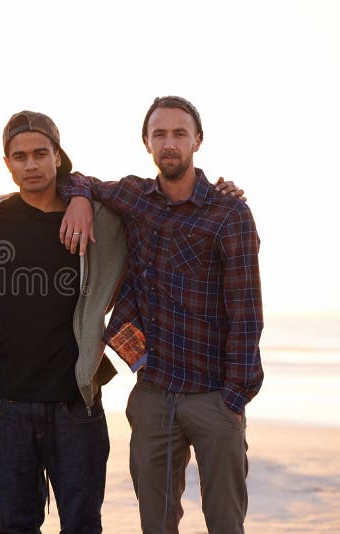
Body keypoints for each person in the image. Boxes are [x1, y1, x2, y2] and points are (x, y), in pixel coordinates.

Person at [65, 95, 263, 533]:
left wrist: (235, 398)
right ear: (147, 143)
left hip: (214, 395)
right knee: (155, 522)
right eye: (160, 134)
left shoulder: (230, 213)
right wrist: (80, 197)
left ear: (197, 141)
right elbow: (78, 179)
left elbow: (247, 314)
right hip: (153, 392)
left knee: (225, 521)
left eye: (179, 133)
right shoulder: (136, 197)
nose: (169, 143)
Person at [0, 110, 128, 533]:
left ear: (58, 156)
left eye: (40, 153)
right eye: (19, 156)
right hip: (8, 405)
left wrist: (80, 194)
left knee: (82, 524)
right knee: (15, 525)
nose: (31, 164)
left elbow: (151, 199)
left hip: (75, 402)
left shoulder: (97, 217)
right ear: (6, 163)